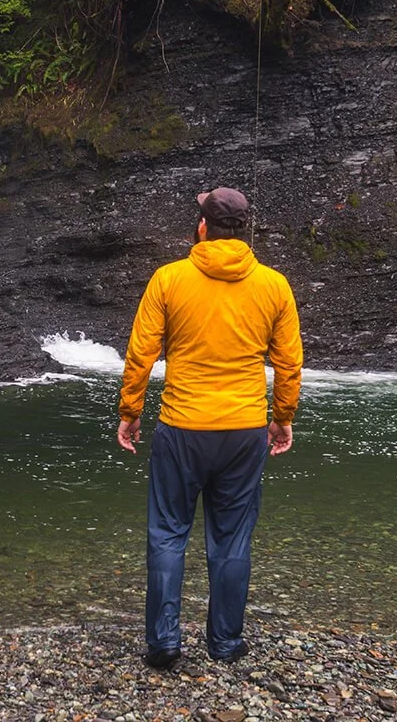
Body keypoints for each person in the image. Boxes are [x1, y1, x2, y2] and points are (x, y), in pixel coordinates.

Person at [115, 186, 303, 668]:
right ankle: (224, 643)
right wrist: (281, 419)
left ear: (202, 226)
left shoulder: (168, 278)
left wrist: (130, 411)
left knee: (167, 533)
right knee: (232, 539)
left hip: (181, 427)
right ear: (244, 230)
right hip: (244, 430)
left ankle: (164, 644)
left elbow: (141, 354)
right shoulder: (274, 285)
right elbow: (289, 365)